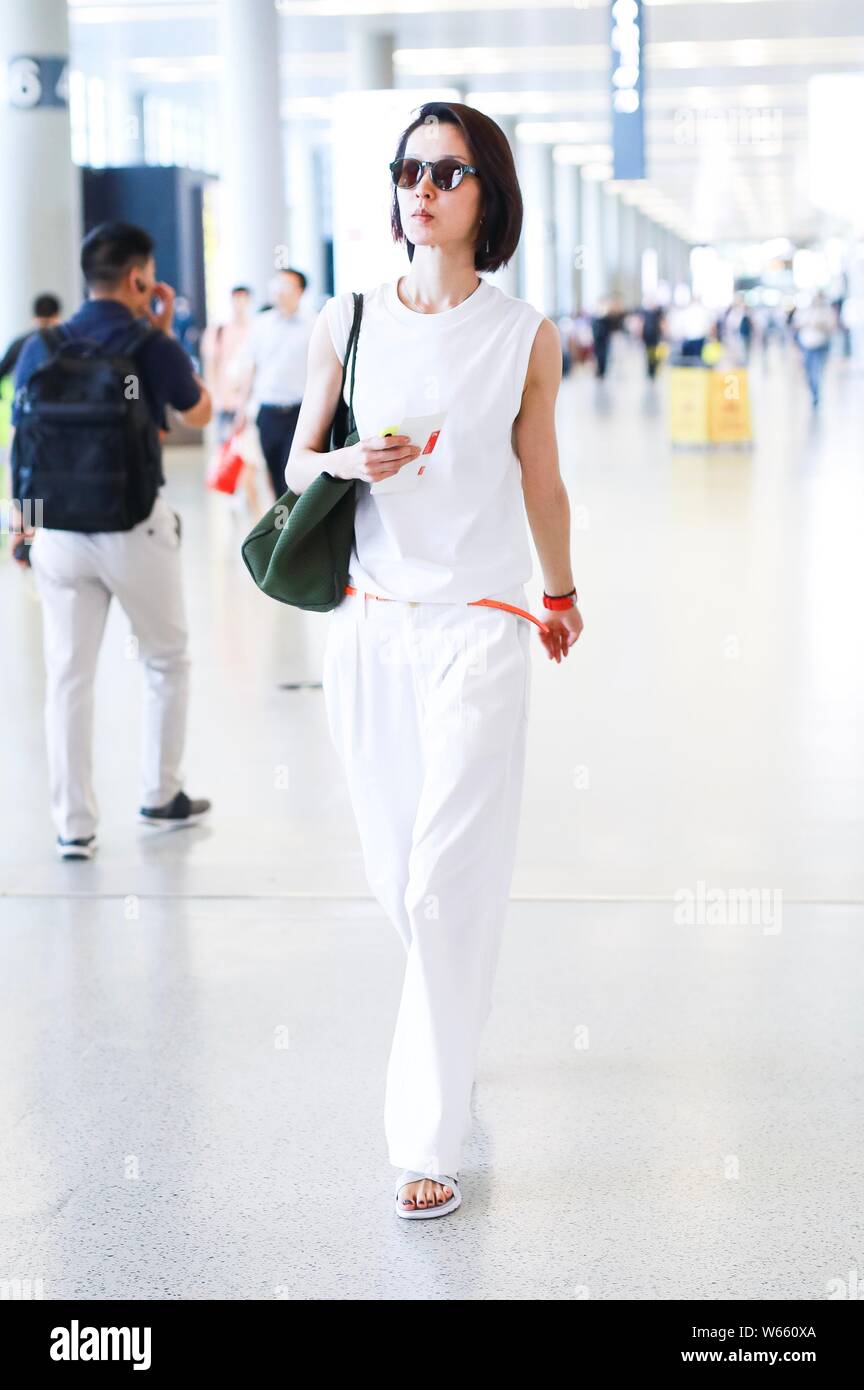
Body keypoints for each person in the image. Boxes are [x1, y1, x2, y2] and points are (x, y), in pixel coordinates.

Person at [286, 100, 584, 1219]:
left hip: (480, 624)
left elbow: (540, 479)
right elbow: (298, 457)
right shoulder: (347, 316)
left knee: (443, 879)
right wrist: (350, 460)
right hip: (369, 624)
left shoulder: (523, 335)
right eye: (408, 169)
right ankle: (453, 1028)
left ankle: (427, 1136)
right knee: (391, 877)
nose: (422, 187)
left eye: (447, 171)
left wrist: (557, 591)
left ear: (485, 196)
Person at [8, 221, 213, 860]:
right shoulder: (147, 345)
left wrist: (25, 529)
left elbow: (24, 447)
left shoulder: (41, 347)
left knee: (68, 677)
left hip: (59, 533)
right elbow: (198, 412)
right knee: (165, 660)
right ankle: (160, 794)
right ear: (139, 279)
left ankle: (73, 827)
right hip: (133, 529)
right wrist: (165, 326)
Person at [237, 268, 312, 500]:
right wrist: (241, 409)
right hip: (267, 412)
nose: (279, 292)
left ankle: (298, 525)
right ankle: (283, 525)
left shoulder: (314, 323)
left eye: (286, 287)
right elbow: (251, 368)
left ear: (299, 292)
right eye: (276, 286)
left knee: (294, 473)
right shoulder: (261, 324)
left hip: (300, 412)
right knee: (272, 472)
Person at [202, 285, 253, 443]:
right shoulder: (219, 330)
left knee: (248, 453)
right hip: (224, 401)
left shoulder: (255, 330)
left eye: (243, 299)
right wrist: (213, 395)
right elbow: (210, 364)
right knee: (225, 448)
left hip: (249, 402)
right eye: (236, 299)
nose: (240, 303)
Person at [0, 293, 62, 384]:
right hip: (60, 397)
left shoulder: (19, 344)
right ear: (56, 315)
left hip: (25, 397)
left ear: (35, 316)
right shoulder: (66, 342)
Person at [793, 290, 837, 408]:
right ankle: (813, 390)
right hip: (807, 345)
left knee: (816, 370)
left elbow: (832, 326)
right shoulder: (804, 312)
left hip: (821, 345)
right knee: (808, 370)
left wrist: (820, 325)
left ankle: (816, 394)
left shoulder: (826, 311)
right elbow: (796, 325)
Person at [640, 296, 666, 379]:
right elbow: (642, 324)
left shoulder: (658, 312)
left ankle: (654, 369)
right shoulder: (644, 312)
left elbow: (662, 323)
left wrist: (664, 333)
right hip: (647, 336)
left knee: (656, 354)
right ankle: (650, 370)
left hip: (656, 336)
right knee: (648, 354)